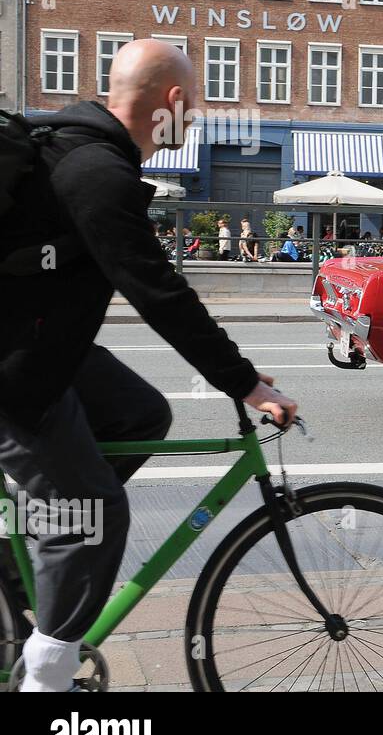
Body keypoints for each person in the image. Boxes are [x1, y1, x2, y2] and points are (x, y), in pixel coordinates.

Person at [0, 38, 296, 692]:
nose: (195, 122)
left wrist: (237, 374)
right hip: (14, 367)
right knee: (96, 513)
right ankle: (46, 677)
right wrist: (244, 382)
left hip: (43, 344)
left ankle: (25, 551)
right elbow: (159, 292)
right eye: (195, 108)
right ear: (171, 102)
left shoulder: (80, 146)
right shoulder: (97, 172)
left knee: (141, 411)